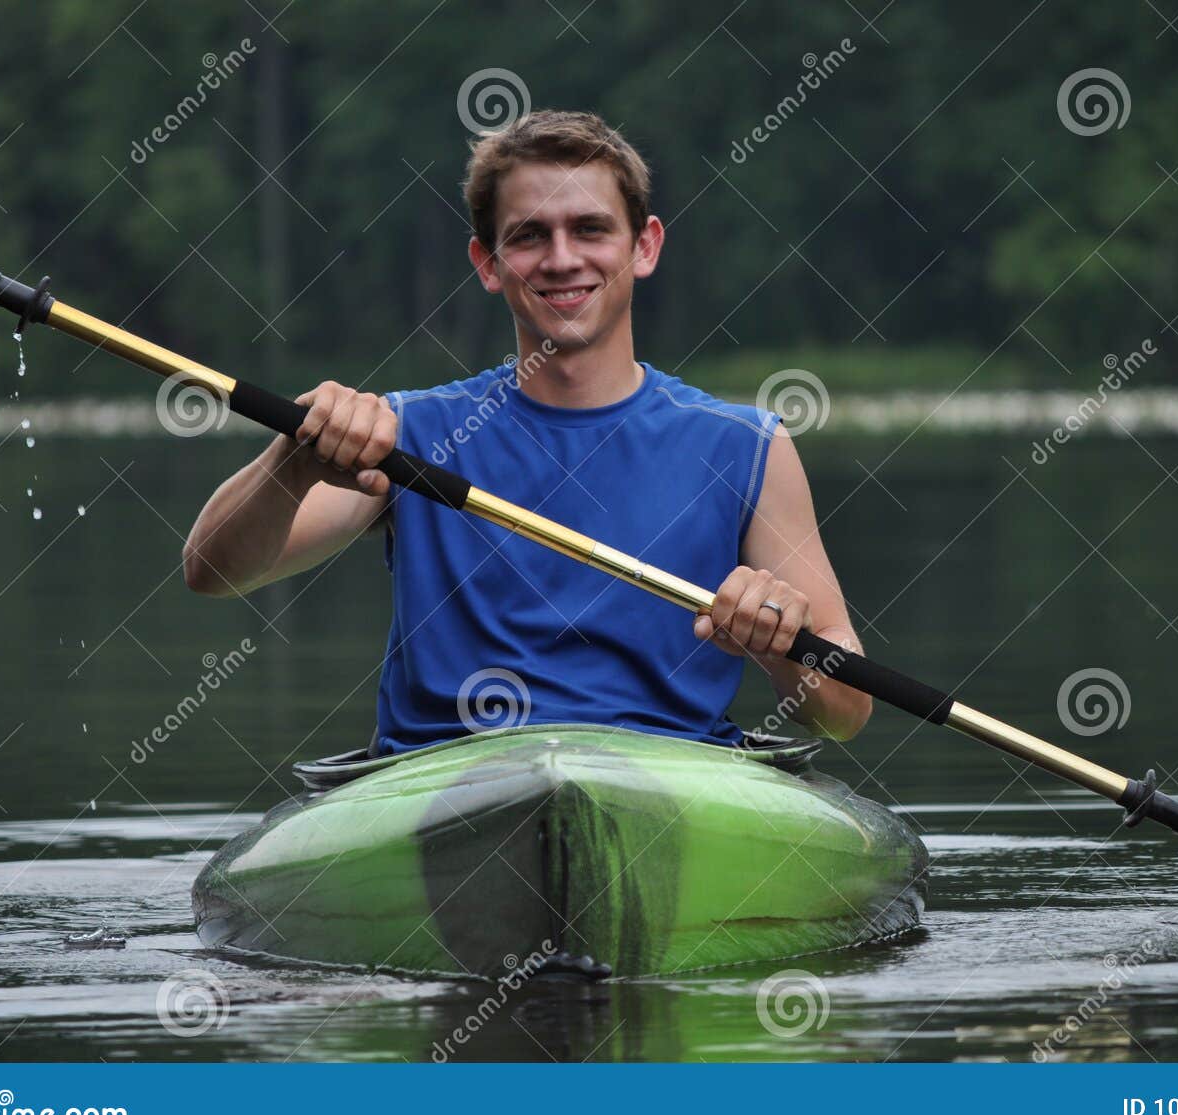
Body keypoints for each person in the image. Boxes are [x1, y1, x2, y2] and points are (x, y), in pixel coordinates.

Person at [183, 110, 869, 753]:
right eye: (530, 235)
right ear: (488, 262)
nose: (562, 258)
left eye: (591, 229)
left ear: (645, 246)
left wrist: (780, 641)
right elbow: (213, 573)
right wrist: (291, 464)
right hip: (442, 780)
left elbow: (846, 710)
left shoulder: (748, 446)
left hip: (674, 784)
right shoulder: (404, 436)